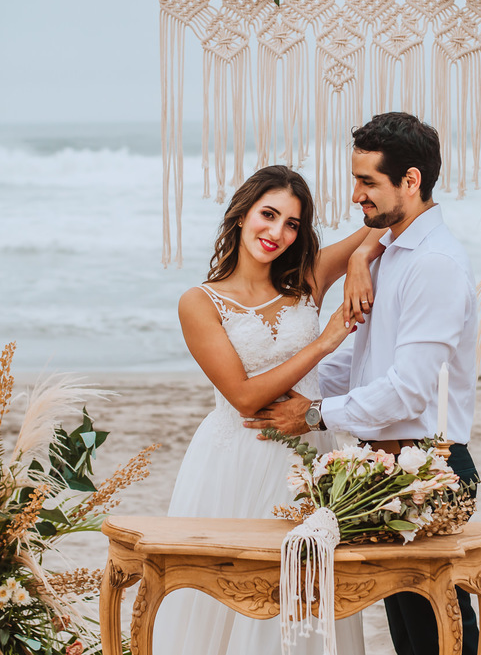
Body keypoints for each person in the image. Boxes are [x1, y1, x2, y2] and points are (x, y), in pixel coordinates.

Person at [244, 112, 481, 655]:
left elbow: (409, 390)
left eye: (368, 182)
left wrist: (313, 414)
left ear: (412, 180)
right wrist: (284, 380)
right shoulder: (390, 255)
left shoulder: (435, 265)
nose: (356, 196)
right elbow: (361, 359)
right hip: (384, 462)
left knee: (436, 628)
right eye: (356, 180)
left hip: (432, 464)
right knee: (408, 631)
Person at [152, 164, 375, 655]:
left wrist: (358, 260)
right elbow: (245, 396)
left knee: (306, 596)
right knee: (232, 596)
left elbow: (380, 227)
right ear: (241, 215)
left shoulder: (308, 278)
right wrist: (324, 341)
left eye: (292, 224)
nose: (276, 233)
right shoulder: (200, 302)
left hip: (309, 458)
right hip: (233, 460)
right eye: (268, 215)